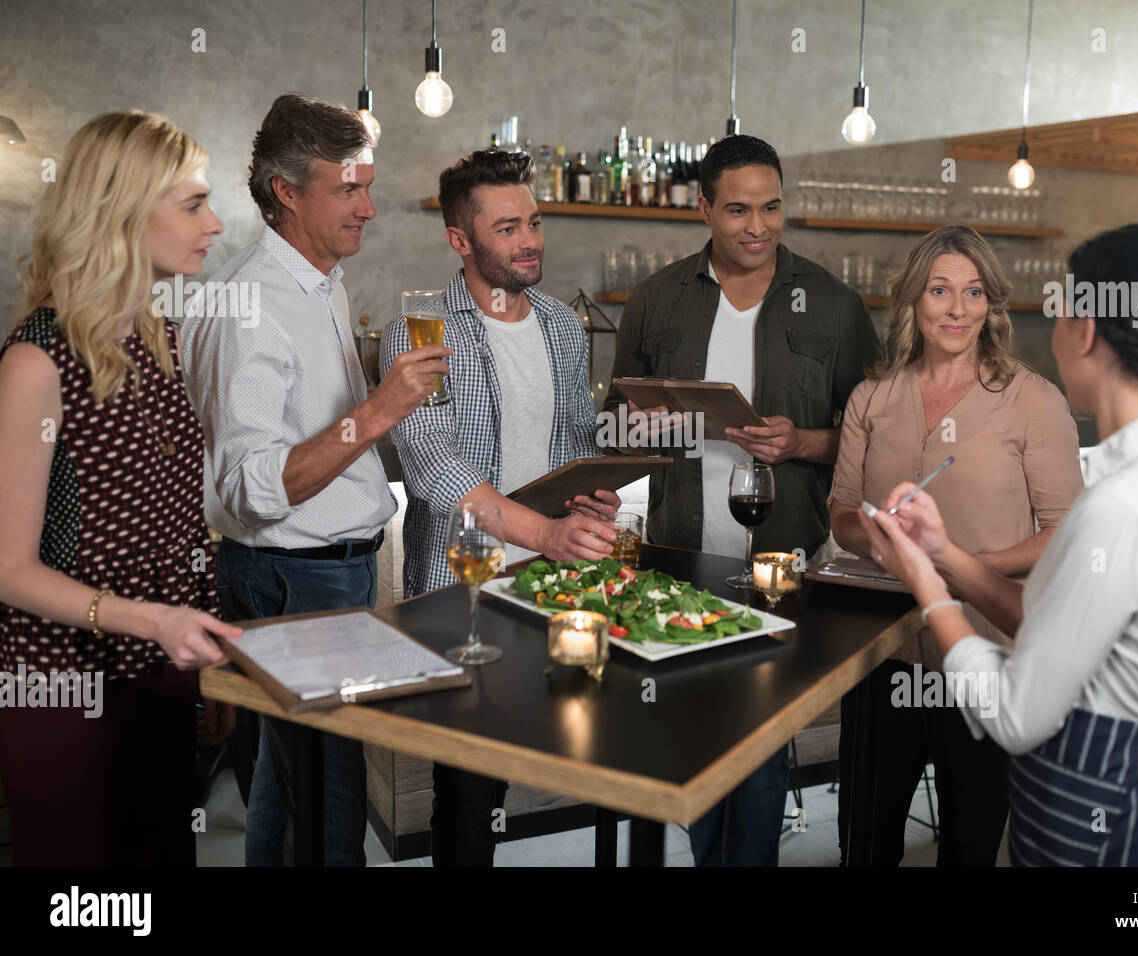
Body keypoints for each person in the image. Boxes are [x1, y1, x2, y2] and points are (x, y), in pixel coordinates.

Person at [858, 223, 1138, 866]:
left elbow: (1014, 714)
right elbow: (1056, 625)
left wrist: (923, 579)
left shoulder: (1120, 507)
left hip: (1106, 819)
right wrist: (947, 554)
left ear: (1087, 329)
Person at [182, 92, 450, 867]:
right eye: (347, 188)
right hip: (294, 580)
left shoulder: (318, 278)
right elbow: (253, 486)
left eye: (366, 185)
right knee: (331, 809)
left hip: (321, 575)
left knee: (283, 789)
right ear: (287, 193)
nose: (368, 207)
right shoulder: (251, 308)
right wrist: (377, 413)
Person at [606, 134, 880, 866]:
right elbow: (613, 425)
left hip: (781, 562)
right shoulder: (657, 300)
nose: (757, 226)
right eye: (737, 210)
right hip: (680, 557)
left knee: (761, 743)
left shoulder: (832, 303)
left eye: (771, 207)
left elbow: (870, 440)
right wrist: (644, 427)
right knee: (697, 741)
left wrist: (802, 444)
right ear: (702, 209)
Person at [0, 111, 240, 865]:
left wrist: (201, 656)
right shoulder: (37, 361)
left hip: (159, 673)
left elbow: (177, 526)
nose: (217, 222)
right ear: (123, 213)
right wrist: (155, 623)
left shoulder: (160, 340)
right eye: (194, 204)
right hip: (62, 686)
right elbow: (7, 570)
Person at [379, 148, 620, 866]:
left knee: (545, 755)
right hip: (464, 590)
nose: (531, 241)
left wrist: (596, 492)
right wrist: (545, 530)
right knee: (468, 782)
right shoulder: (421, 331)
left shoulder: (560, 325)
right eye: (509, 227)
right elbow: (432, 467)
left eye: (535, 222)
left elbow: (575, 438)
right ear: (461, 240)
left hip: (552, 587)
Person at [828, 224, 1082, 866]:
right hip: (883, 655)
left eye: (973, 293)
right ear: (914, 298)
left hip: (985, 656)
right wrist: (879, 536)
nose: (957, 309)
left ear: (991, 304)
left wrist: (956, 569)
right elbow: (840, 515)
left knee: (969, 842)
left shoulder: (1034, 401)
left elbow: (1065, 536)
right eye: (940, 290)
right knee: (864, 836)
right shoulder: (871, 398)